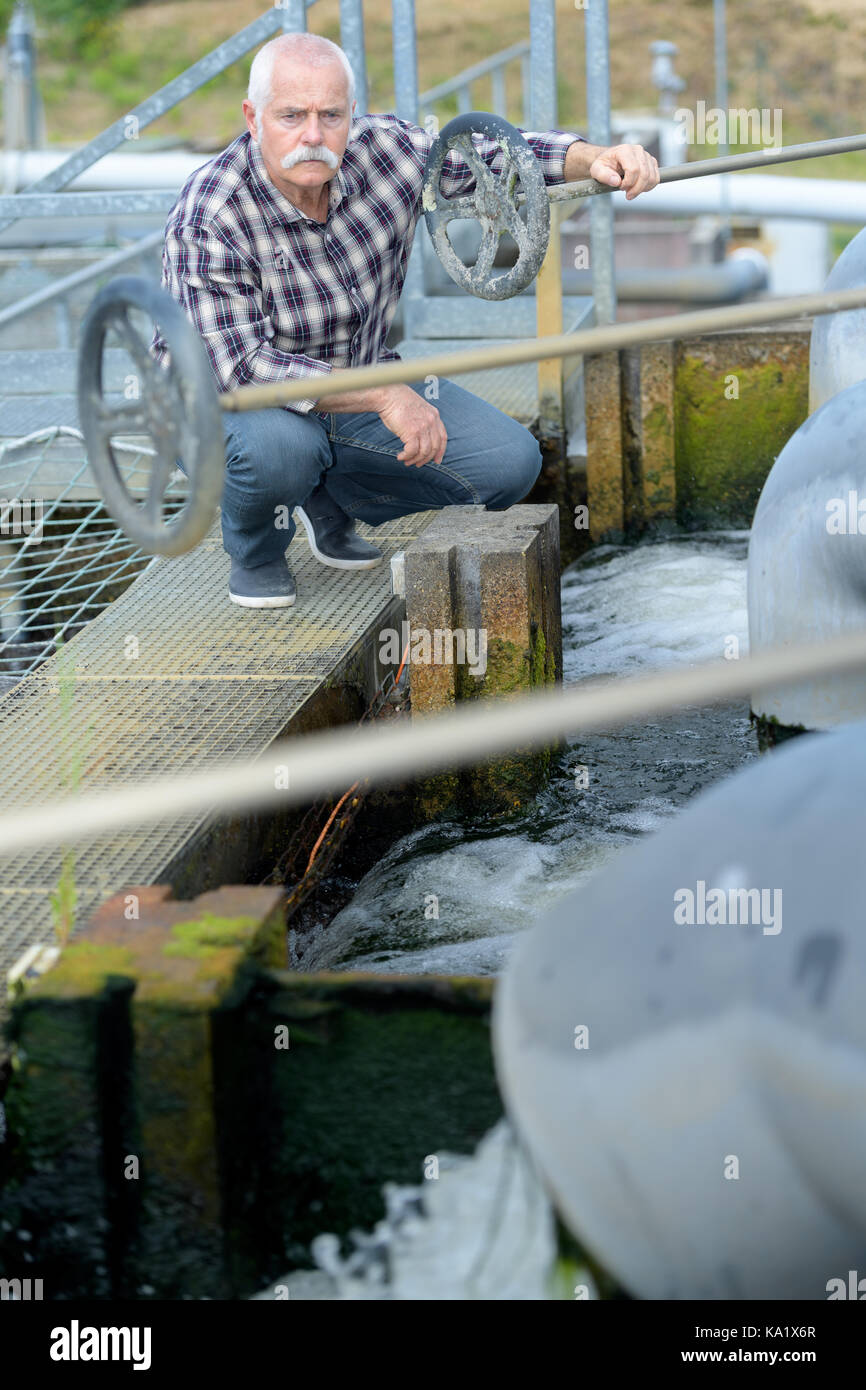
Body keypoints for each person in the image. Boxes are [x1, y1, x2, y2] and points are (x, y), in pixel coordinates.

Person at [154, 32, 659, 608]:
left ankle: (329, 502)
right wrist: (386, 396)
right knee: (280, 450)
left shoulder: (385, 151)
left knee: (509, 463)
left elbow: (495, 161)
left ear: (352, 114)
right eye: (291, 116)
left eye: (332, 115)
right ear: (253, 117)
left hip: (354, 381)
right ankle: (256, 549)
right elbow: (238, 369)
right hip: (235, 405)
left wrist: (594, 158)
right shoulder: (211, 210)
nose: (313, 135)